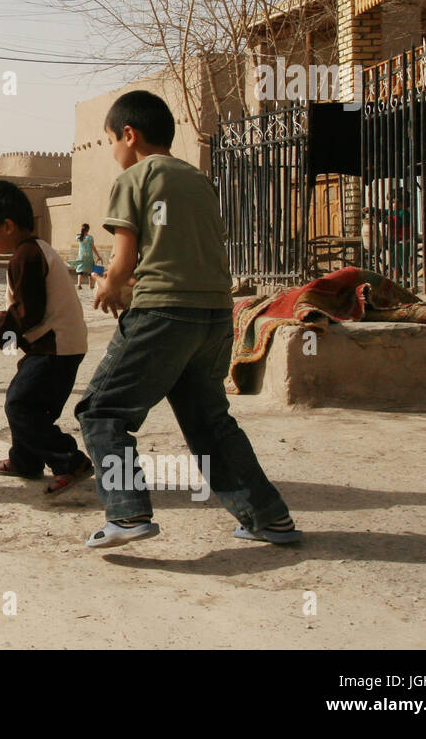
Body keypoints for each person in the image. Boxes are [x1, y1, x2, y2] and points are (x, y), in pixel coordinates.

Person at [74, 91, 300, 548]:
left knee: (101, 411)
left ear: (129, 135)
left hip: (162, 314)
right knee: (208, 420)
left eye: (110, 141)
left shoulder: (134, 177)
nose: (113, 150)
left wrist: (109, 286)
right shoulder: (199, 180)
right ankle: (267, 517)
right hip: (215, 316)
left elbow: (122, 260)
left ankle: (128, 514)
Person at [0, 180, 93, 498]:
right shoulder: (32, 250)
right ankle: (26, 460)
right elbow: (24, 311)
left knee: (20, 405)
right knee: (31, 405)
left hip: (55, 348)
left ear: (7, 225)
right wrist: (0, 321)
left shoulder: (26, 257)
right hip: (57, 345)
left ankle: (71, 461)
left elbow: (28, 315)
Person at [72, 223, 105, 290]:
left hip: (81, 256)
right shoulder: (90, 238)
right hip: (89, 256)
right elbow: (93, 248)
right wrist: (98, 256)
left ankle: (79, 284)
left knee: (80, 270)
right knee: (90, 270)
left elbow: (78, 236)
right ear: (88, 230)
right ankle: (90, 285)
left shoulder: (78, 237)